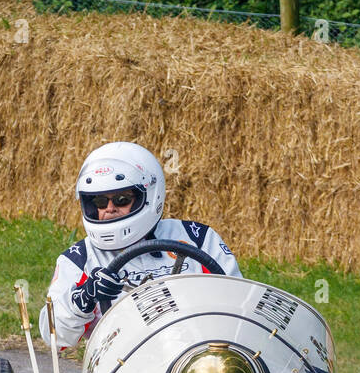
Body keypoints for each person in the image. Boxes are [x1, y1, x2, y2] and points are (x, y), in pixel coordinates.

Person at [40, 141, 241, 348]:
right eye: (99, 202)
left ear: (148, 197)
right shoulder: (78, 259)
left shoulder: (197, 238)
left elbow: (238, 305)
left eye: (121, 199)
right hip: (122, 365)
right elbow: (54, 337)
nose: (109, 209)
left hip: (196, 358)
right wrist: (83, 300)